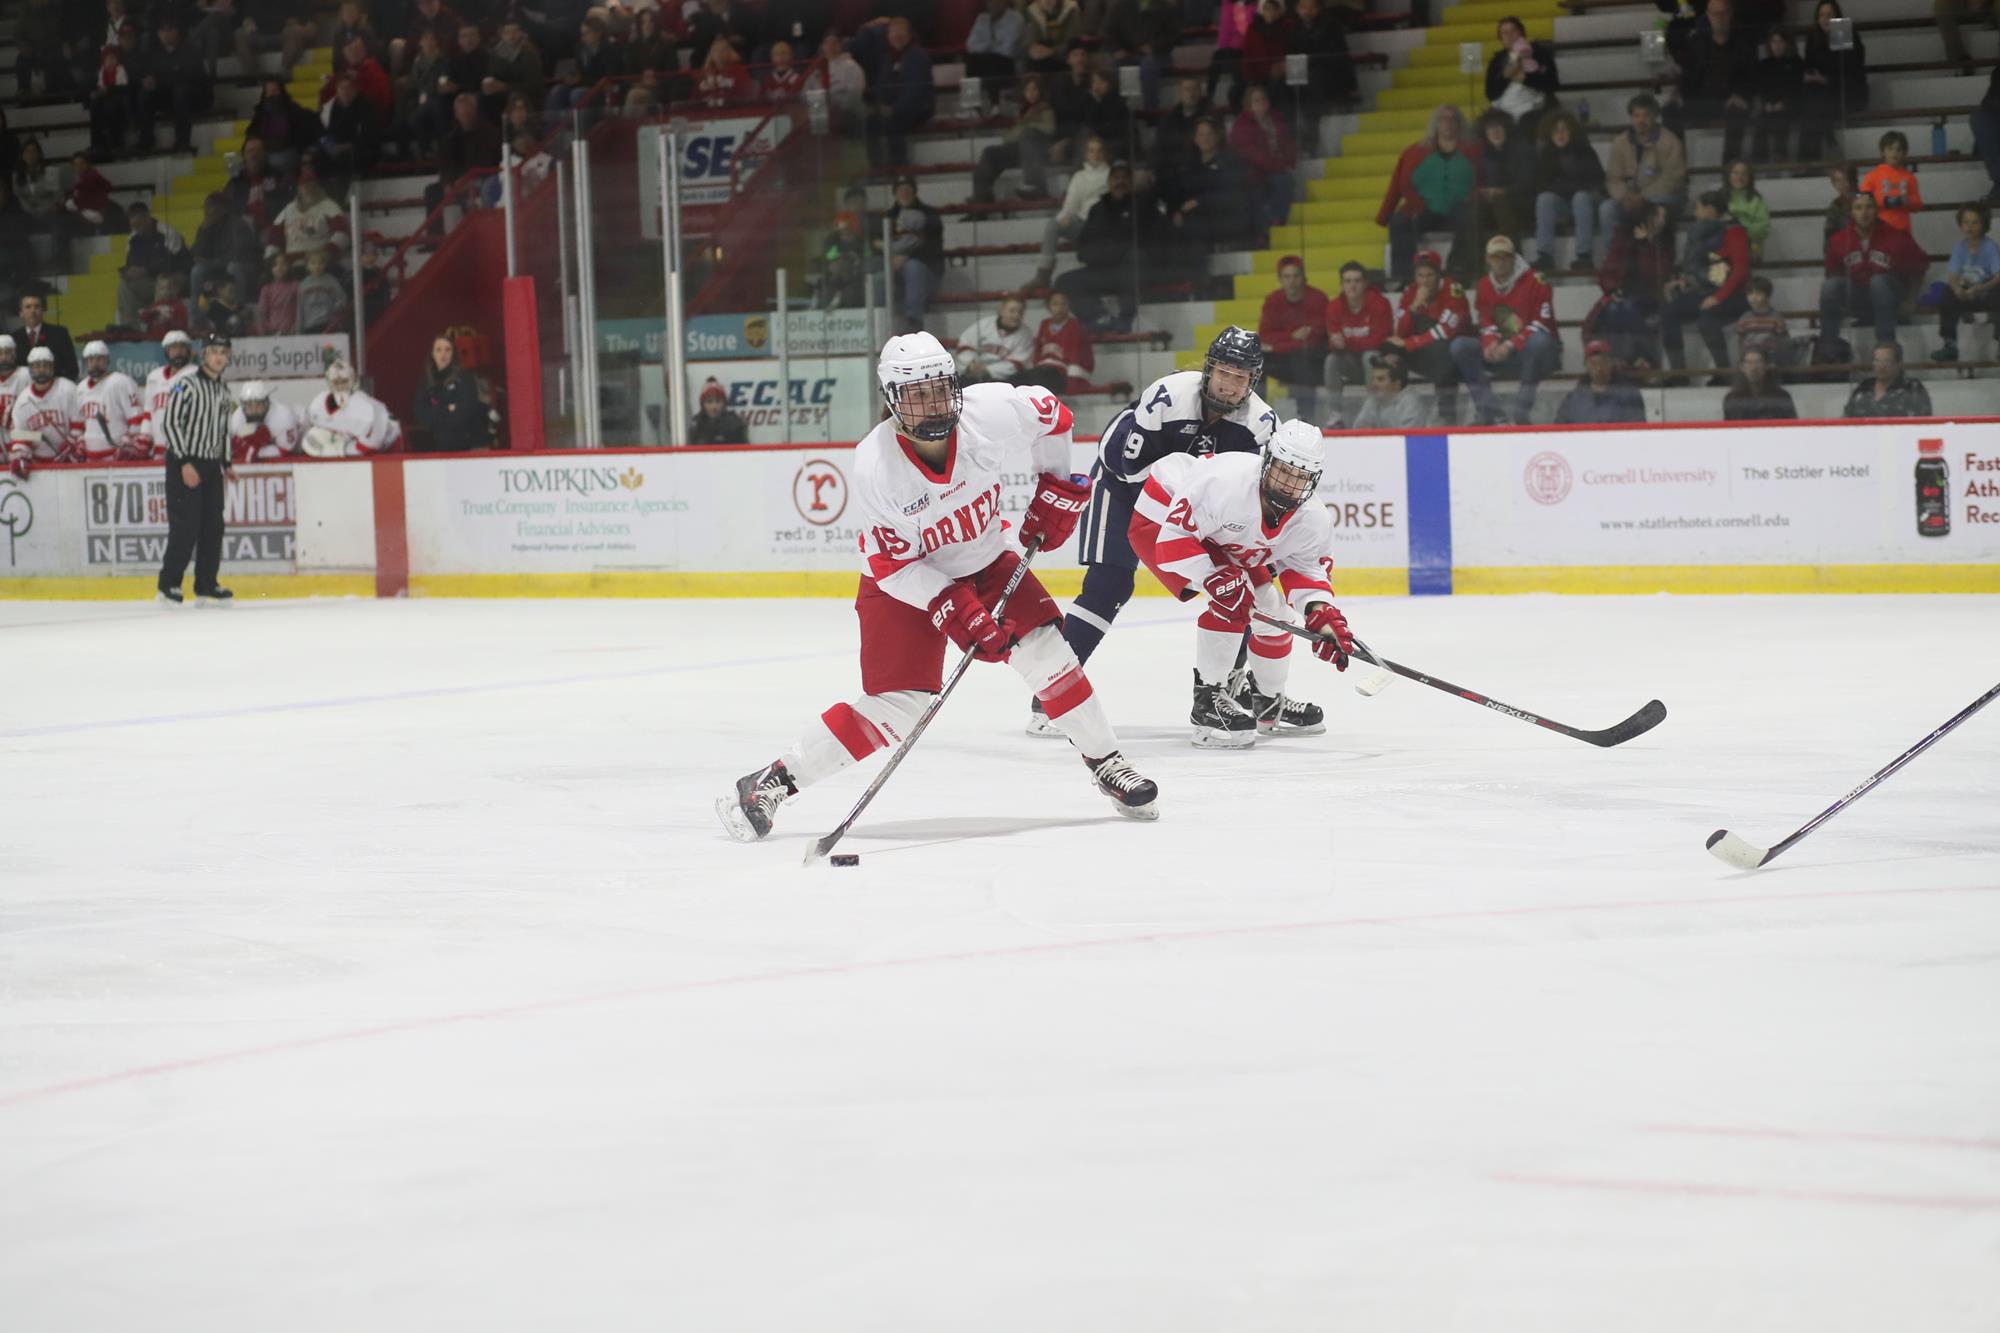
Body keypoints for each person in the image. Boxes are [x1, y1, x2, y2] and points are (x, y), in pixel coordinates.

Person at [717, 332, 1159, 840]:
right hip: (903, 581)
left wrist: (1053, 482)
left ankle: (1107, 761)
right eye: (915, 393)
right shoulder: (876, 466)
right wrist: (952, 605)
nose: (931, 403)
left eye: (938, 387)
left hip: (987, 558)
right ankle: (772, 781)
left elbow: (1053, 414)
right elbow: (893, 565)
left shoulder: (988, 412)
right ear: (892, 400)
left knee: (1048, 653)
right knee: (896, 708)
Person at [1048, 327, 1277, 732]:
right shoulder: (1169, 396)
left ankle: (1227, 689)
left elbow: (1243, 495)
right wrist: (1184, 487)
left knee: (1239, 584)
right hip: (1124, 490)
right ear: (1209, 369)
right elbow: (1122, 462)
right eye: (1224, 372)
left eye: (1240, 377)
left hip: (1194, 508)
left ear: (1252, 382)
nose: (1229, 385)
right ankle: (1050, 692)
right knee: (1109, 585)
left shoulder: (1258, 425)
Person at [1126, 420, 1354, 747]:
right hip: (1160, 516)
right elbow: (1171, 541)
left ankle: (1268, 702)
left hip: (1220, 536)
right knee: (1232, 596)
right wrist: (1212, 576)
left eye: (1301, 477)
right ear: (1268, 462)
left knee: (1275, 610)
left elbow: (1306, 574)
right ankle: (1207, 704)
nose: (1290, 485)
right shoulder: (1225, 485)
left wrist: (1322, 618)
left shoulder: (1312, 519)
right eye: (1285, 472)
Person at [155, 333, 238, 604]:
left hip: (211, 464)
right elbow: (170, 423)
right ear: (204, 355)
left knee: (213, 526)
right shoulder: (185, 384)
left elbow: (223, 430)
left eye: (223, 352)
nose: (218, 357)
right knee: (185, 526)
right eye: (213, 351)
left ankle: (206, 584)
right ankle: (169, 585)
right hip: (184, 461)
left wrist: (227, 462)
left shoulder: (224, 391)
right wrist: (184, 463)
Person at [1451, 235, 1560, 425]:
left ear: (1514, 257)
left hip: (1536, 353)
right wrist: (1490, 343)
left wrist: (1509, 345)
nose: (1500, 262)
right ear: (1487, 259)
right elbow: (1485, 319)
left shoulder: (1536, 281)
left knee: (1539, 341)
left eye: (1505, 257)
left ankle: (1521, 411)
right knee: (1460, 346)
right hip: (1504, 351)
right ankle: (1488, 409)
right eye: (1495, 257)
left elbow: (1541, 323)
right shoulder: (1484, 284)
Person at [1660, 189, 1751, 382]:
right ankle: (1678, 373)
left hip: (1733, 295)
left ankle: (1723, 372)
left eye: (1699, 208)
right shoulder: (1699, 233)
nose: (1695, 213)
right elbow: (1699, 266)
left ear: (1710, 209)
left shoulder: (1734, 231)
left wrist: (1718, 297)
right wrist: (1683, 282)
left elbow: (1740, 270)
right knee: (1668, 313)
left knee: (1707, 317)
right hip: (1703, 291)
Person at [1821, 192, 1929, 354]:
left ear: (1877, 210)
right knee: (1830, 286)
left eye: (1869, 207)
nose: (1864, 213)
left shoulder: (1896, 236)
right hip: (1858, 296)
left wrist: (1910, 300)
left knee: (1878, 282)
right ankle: (1828, 345)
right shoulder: (1839, 240)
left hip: (1890, 295)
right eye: (1858, 208)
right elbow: (1832, 273)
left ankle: (1886, 344)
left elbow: (1919, 268)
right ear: (1851, 212)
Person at [1380, 105, 1476, 283]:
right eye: (1443, 119)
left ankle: (1458, 268)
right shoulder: (1415, 152)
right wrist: (1384, 215)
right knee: (1400, 220)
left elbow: (1482, 179)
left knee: (1471, 216)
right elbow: (1398, 184)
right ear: (1436, 124)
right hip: (1425, 207)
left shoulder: (1473, 150)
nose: (1447, 123)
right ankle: (1405, 276)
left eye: (1452, 119)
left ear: (1459, 123)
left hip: (1460, 206)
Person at [1055, 161, 1147, 332]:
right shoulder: (1097, 209)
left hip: (1127, 272)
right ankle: (1099, 317)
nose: (1120, 182)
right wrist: (1104, 254)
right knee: (1064, 281)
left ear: (1131, 182)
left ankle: (1125, 319)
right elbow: (1083, 247)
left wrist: (1110, 252)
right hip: (1099, 271)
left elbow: (1139, 243)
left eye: (1124, 178)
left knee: (1133, 259)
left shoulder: (1141, 206)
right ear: (1109, 181)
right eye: (1115, 178)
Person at [1599, 94, 1687, 270]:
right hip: (1629, 198)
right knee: (1606, 209)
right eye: (1636, 116)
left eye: (1646, 115)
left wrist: (1644, 197)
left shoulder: (1669, 141)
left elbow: (1674, 178)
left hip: (1663, 196)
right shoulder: (1620, 143)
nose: (1641, 120)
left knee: (1658, 207)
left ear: (1655, 116)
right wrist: (1624, 196)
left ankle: (1658, 263)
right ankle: (1614, 261)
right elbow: (1613, 178)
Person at [1386, 250, 1470, 423]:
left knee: (1442, 351)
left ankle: (1446, 415)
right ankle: (1393, 411)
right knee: (1388, 349)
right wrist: (1414, 306)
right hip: (1423, 349)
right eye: (1420, 275)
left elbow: (1446, 331)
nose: (1424, 281)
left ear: (1439, 274)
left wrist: (1410, 342)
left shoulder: (1453, 289)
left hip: (1453, 352)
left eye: (1429, 275)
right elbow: (1399, 332)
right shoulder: (1410, 292)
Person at [1674, 0, 1756, 163]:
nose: (1720, 18)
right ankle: (1677, 165)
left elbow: (1751, 76)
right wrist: (1679, 93)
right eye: (1715, 13)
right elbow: (1688, 75)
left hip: (1730, 101)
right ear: (1708, 16)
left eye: (1724, 12)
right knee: (1670, 111)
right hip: (1702, 101)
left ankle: (1730, 166)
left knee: (1738, 112)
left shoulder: (1744, 43)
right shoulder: (1696, 42)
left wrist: (1739, 93)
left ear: (1731, 14)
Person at [1032, 133, 1109, 290]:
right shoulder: (1079, 177)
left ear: (1104, 153)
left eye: (1099, 150)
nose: (1095, 154)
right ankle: (1043, 275)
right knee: (1053, 225)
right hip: (1082, 224)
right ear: (1086, 154)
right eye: (1091, 150)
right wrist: (1063, 218)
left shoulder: (1112, 174)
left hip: (1104, 226)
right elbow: (1070, 205)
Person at [1258, 255, 1330, 422]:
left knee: (1302, 354)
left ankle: (1306, 416)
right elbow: (1265, 335)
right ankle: (1257, 412)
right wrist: (1291, 336)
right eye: (1287, 276)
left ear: (1303, 277)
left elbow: (1314, 338)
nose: (1292, 281)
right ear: (1280, 279)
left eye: (1296, 275)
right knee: (1257, 359)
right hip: (1285, 359)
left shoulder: (1318, 298)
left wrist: (1278, 344)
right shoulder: (1272, 301)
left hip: (1312, 359)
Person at [855, 17, 935, 168]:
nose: (896, 36)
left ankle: (900, 167)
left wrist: (894, 109)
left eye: (901, 31)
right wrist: (879, 106)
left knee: (893, 122)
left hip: (917, 107)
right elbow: (881, 86)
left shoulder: (918, 56)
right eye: (893, 32)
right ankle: (877, 167)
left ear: (909, 34)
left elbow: (915, 91)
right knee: (870, 123)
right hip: (892, 108)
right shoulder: (888, 58)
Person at [1534, 110, 1604, 274]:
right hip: (1564, 205)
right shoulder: (1546, 154)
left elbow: (1596, 181)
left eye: (1564, 129)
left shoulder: (1585, 151)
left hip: (1587, 205)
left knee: (1580, 197)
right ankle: (1545, 255)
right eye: (1555, 131)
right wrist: (1572, 186)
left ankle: (1584, 255)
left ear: (1571, 132)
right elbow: (1542, 185)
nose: (1560, 134)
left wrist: (1564, 186)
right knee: (1545, 199)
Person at [1324, 262, 1394, 424]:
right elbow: (1333, 343)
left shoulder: (1380, 303)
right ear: (1342, 285)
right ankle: (1336, 415)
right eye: (1348, 281)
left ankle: (1373, 410)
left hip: (1377, 363)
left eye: (1357, 281)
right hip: (1350, 362)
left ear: (1365, 284)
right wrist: (1336, 344)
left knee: (1370, 355)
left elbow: (1378, 341)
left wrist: (1346, 342)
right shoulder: (1333, 307)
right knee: (1331, 360)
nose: (1352, 286)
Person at [971, 73, 1057, 205]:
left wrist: (1029, 126)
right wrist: (1023, 128)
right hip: (1020, 149)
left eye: (1035, 89)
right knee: (989, 152)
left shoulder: (1045, 108)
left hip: (1037, 151)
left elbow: (1050, 128)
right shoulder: (1022, 110)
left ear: (1040, 91)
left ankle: (1037, 186)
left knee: (1028, 134)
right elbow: (1008, 137)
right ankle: (981, 199)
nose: (1031, 93)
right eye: (1028, 90)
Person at [1800, 0, 1869, 164]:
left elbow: (1851, 71)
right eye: (1821, 15)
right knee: (1811, 100)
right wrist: (1812, 76)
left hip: (1847, 91)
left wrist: (1826, 79)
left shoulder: (1845, 33)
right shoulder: (1814, 37)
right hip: (1822, 93)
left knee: (1814, 106)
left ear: (1837, 16)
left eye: (1829, 15)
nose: (1825, 19)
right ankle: (1826, 145)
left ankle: (1809, 160)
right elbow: (1810, 65)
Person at [957, 295, 1064, 391]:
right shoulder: (984, 325)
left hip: (1003, 380)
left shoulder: (1025, 335)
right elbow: (964, 346)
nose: (1016, 315)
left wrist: (987, 370)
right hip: (973, 375)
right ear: (1001, 310)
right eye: (1012, 311)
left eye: (1020, 312)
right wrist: (970, 364)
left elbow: (1017, 365)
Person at [1937, 204, 2000, 362]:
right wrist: (1957, 288)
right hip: (1966, 293)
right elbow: (1953, 275)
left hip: (1986, 292)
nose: (1969, 227)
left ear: (1984, 224)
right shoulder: (1960, 247)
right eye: (1966, 222)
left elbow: (1998, 276)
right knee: (1947, 294)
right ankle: (1950, 344)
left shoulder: (1990, 247)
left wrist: (1980, 288)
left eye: (1975, 222)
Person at [1230, 84, 1297, 232]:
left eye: (1263, 98)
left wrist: (1290, 161)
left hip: (1277, 165)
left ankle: (1276, 221)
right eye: (1256, 100)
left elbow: (1288, 142)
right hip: (1255, 170)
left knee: (1285, 178)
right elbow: (1253, 154)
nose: (1261, 102)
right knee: (1283, 180)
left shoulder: (1276, 118)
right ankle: (1272, 221)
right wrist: (1279, 166)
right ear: (1248, 104)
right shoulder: (1242, 124)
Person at [1470, 111, 1535, 263]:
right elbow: (1474, 180)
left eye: (1498, 128)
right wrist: (1483, 192)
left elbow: (1528, 182)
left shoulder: (1522, 148)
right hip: (1490, 202)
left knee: (1501, 201)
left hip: (1520, 201)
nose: (1495, 133)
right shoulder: (1481, 152)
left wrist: (1503, 191)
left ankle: (1515, 257)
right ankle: (1474, 261)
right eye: (1490, 129)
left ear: (1507, 129)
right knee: (1473, 206)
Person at [6, 347, 82, 475]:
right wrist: (20, 457)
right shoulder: (23, 401)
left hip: (69, 464)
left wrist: (72, 443)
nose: (41, 370)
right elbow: (21, 436)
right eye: (37, 366)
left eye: (45, 366)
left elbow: (80, 423)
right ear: (30, 369)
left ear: (52, 367)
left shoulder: (68, 389)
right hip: (38, 469)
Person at [410, 336, 493, 451]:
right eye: (438, 350)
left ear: (453, 354)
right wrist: (447, 408)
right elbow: (420, 411)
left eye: (447, 350)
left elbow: (465, 410)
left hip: (470, 444)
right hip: (439, 445)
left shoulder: (464, 377)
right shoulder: (426, 381)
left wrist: (436, 411)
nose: (443, 354)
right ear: (432, 354)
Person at [884, 176, 944, 335]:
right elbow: (875, 243)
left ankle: (913, 323)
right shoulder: (886, 218)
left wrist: (906, 258)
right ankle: (874, 322)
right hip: (894, 273)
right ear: (894, 194)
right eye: (900, 190)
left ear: (915, 192)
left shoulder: (930, 216)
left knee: (913, 268)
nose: (904, 193)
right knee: (876, 278)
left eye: (908, 190)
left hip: (926, 273)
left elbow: (934, 247)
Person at [304, 361, 401, 456]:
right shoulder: (317, 404)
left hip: (389, 444)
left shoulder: (365, 408)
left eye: (344, 381)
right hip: (360, 442)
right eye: (336, 382)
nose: (340, 386)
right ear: (329, 382)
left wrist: (339, 450)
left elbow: (368, 447)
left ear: (353, 381)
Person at [1105, 0, 1182, 113]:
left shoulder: (1164, 6)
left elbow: (1173, 35)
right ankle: (1121, 112)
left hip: (1158, 54)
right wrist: (1117, 50)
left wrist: (1154, 47)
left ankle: (1151, 111)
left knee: (1148, 65)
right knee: (1122, 67)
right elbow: (1109, 33)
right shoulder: (1121, 7)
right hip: (1129, 54)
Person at [1486, 15, 1559, 130]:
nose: (1509, 36)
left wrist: (1524, 78)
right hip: (1505, 112)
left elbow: (1552, 84)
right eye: (1504, 33)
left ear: (1521, 33)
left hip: (1534, 110)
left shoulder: (1539, 54)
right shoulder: (1496, 61)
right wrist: (1506, 77)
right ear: (1500, 37)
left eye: (1513, 31)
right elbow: (1490, 93)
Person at [75, 339, 145, 461]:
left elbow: (137, 421)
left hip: (116, 459)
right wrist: (80, 442)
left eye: (99, 359)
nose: (95, 363)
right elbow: (81, 425)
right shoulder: (81, 388)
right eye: (91, 360)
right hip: (89, 461)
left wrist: (127, 445)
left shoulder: (122, 382)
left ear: (107, 360)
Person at [1554, 339, 1646, 424]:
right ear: (1586, 365)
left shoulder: (1629, 394)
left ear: (1611, 363)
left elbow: (1636, 429)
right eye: (1593, 363)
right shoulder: (1574, 398)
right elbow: (1559, 428)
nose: (1599, 368)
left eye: (1603, 362)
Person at [137, 330, 197, 458]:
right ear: (167, 351)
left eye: (182, 348)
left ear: (188, 351)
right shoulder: (154, 377)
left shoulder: (197, 375)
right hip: (158, 450)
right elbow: (148, 413)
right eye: (174, 348)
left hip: (187, 451)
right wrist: (144, 439)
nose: (178, 352)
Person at [1751, 28, 1803, 164]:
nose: (1777, 45)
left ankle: (1780, 155)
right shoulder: (1764, 64)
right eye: (1774, 42)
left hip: (1791, 106)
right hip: (1769, 106)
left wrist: (1784, 103)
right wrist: (1767, 103)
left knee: (1781, 118)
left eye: (1780, 41)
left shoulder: (1796, 63)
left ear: (1787, 43)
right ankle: (1759, 159)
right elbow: (1761, 87)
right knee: (1760, 121)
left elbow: (1796, 88)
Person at [1842, 340, 1932, 417]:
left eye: (1887, 361)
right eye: (1877, 361)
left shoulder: (1912, 387)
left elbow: (1923, 422)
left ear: (1898, 363)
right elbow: (1846, 418)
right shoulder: (1863, 387)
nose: (1882, 366)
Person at [1031, 289, 1094, 392]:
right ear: (1048, 307)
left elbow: (1076, 357)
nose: (1059, 308)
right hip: (1044, 370)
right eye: (1055, 304)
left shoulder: (1075, 326)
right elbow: (1038, 352)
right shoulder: (1044, 324)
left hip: (1064, 373)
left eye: (1063, 304)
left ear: (1069, 306)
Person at [1859, 131, 1922, 233]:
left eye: (1899, 150)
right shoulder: (1872, 176)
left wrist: (1908, 201)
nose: (1894, 153)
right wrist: (1886, 201)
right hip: (1878, 230)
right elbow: (1864, 199)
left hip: (1903, 230)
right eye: (1890, 149)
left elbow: (1918, 204)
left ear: (1904, 153)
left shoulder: (1909, 177)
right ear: (1882, 152)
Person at [226, 380, 304, 460]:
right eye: (249, 405)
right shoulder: (237, 419)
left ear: (266, 403)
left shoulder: (283, 417)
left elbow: (286, 449)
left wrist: (254, 452)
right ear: (243, 406)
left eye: (258, 405)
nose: (254, 411)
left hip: (300, 431)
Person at [10, 292, 77, 383]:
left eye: (37, 306)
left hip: (55, 390)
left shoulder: (59, 334)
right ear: (21, 313)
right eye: (28, 307)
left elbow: (72, 368)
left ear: (43, 310)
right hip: (24, 392)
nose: (33, 310)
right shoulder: (13, 339)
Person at [1349, 355, 1430, 429]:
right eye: (1373, 378)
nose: (1374, 383)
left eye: (1380, 379)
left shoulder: (1411, 404)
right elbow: (1358, 434)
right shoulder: (1373, 400)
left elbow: (1408, 440)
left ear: (1396, 384)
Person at [965, 0, 1028, 93]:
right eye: (990, 2)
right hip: (984, 61)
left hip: (1009, 62)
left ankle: (995, 101)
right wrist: (992, 45)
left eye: (996, 1)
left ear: (1004, 3)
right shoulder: (982, 19)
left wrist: (984, 46)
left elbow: (1008, 50)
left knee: (990, 59)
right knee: (971, 59)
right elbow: (970, 45)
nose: (992, 4)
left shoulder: (1016, 18)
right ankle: (972, 98)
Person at [1722, 346, 1797, 419]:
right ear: (1742, 367)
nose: (1753, 368)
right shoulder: (1732, 399)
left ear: (1766, 366)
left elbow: (1792, 427)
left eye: (1758, 362)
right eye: (1748, 362)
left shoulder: (1782, 397)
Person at [1734, 275, 1789, 365]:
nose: (1753, 297)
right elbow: (1740, 341)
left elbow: (1783, 341)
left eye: (1758, 293)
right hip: (1750, 359)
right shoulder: (1744, 318)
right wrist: (1742, 359)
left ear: (1767, 296)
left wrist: (1778, 360)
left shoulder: (1776, 317)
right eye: (1750, 293)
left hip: (1770, 360)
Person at [685, 378, 748, 445]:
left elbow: (744, 452)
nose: (714, 407)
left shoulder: (735, 424)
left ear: (724, 403)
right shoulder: (696, 425)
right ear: (702, 404)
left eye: (718, 401)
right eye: (709, 402)